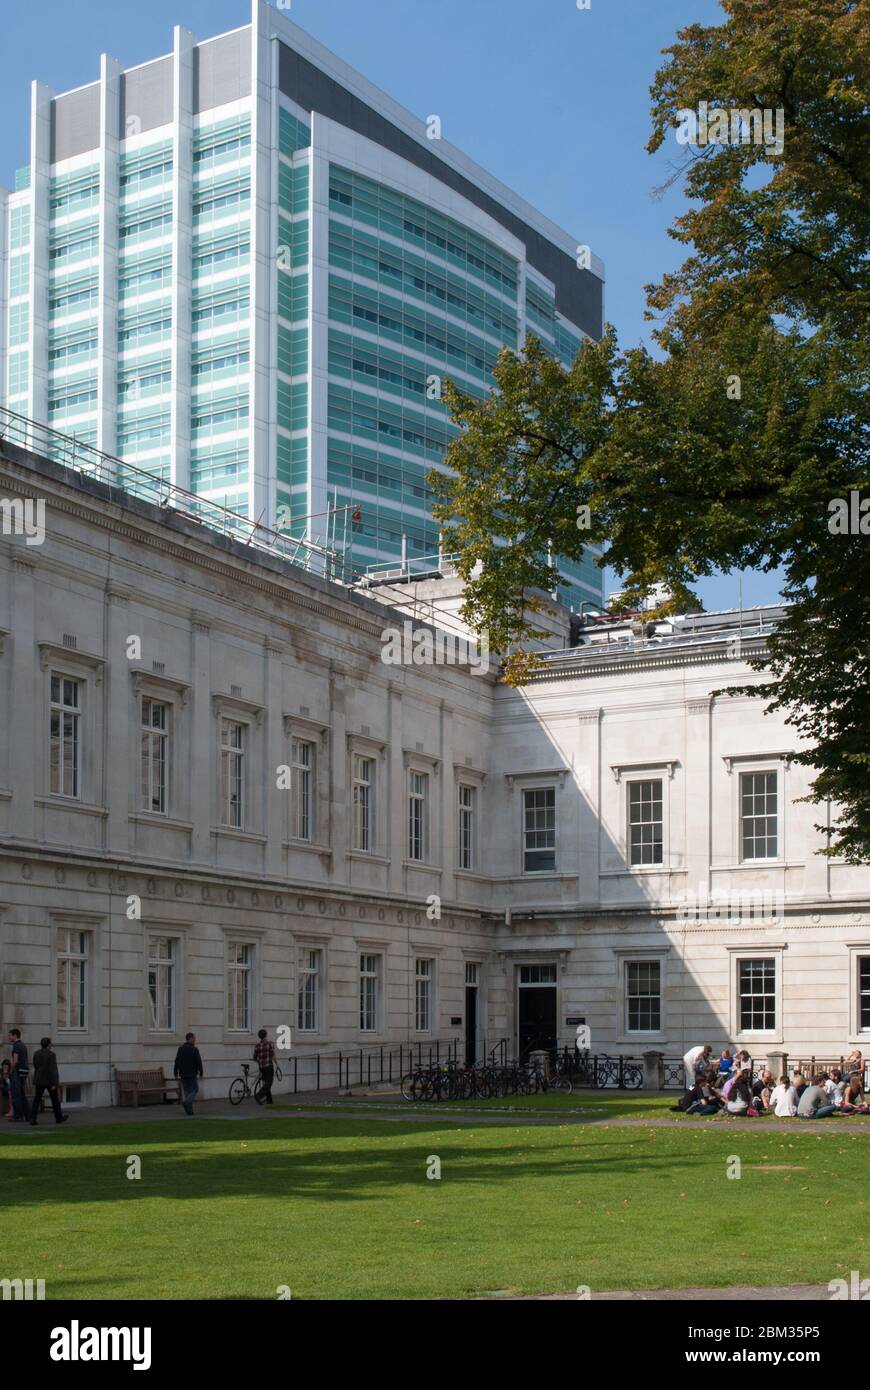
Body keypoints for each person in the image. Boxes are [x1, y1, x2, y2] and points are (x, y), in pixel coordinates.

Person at [28, 1039, 69, 1126]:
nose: (51, 1045)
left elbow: (35, 1065)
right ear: (48, 1045)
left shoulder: (36, 1053)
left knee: (37, 1099)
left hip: (39, 1079)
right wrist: (55, 1083)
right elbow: (53, 1069)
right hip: (49, 1080)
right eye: (50, 1044)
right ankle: (58, 1118)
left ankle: (32, 1118)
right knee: (55, 1100)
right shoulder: (51, 1055)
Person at [174, 1032, 204, 1115]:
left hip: (183, 1074)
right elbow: (198, 1062)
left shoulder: (180, 1049)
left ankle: (189, 1111)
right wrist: (201, 1072)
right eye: (194, 1038)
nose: (195, 1040)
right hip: (191, 1074)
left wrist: (175, 1073)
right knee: (195, 1089)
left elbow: (177, 1061)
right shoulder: (194, 1049)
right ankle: (187, 1102)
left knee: (187, 1091)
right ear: (190, 1039)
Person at [8, 1028, 30, 1122]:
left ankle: (18, 1116)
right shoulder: (23, 1045)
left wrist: (10, 1071)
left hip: (17, 1072)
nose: (9, 1037)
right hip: (24, 1071)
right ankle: (28, 1115)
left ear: (15, 1035)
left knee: (16, 1095)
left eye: (10, 1035)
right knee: (22, 1094)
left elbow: (15, 1061)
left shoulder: (16, 1046)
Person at [254, 1028, 275, 1105]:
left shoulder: (257, 1046)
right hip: (269, 1066)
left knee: (266, 1082)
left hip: (262, 1067)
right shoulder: (270, 1044)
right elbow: (273, 1055)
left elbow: (255, 1057)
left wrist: (260, 1061)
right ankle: (259, 1095)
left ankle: (269, 1100)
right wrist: (278, 1065)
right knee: (269, 1082)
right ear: (265, 1035)